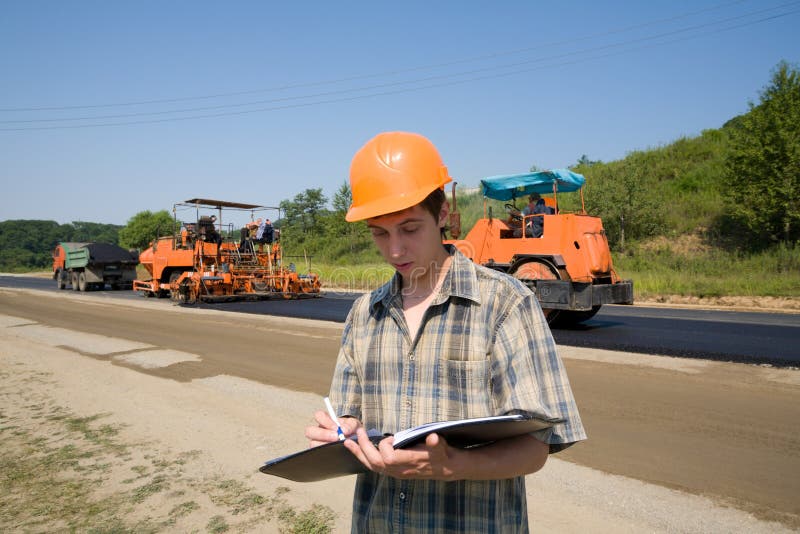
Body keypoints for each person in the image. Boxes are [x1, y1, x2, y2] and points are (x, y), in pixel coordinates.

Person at [305, 131, 585, 533]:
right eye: (380, 233)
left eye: (410, 228)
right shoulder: (363, 315)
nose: (395, 250)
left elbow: (538, 445)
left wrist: (455, 465)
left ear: (443, 215)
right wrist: (342, 430)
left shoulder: (505, 305)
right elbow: (351, 418)